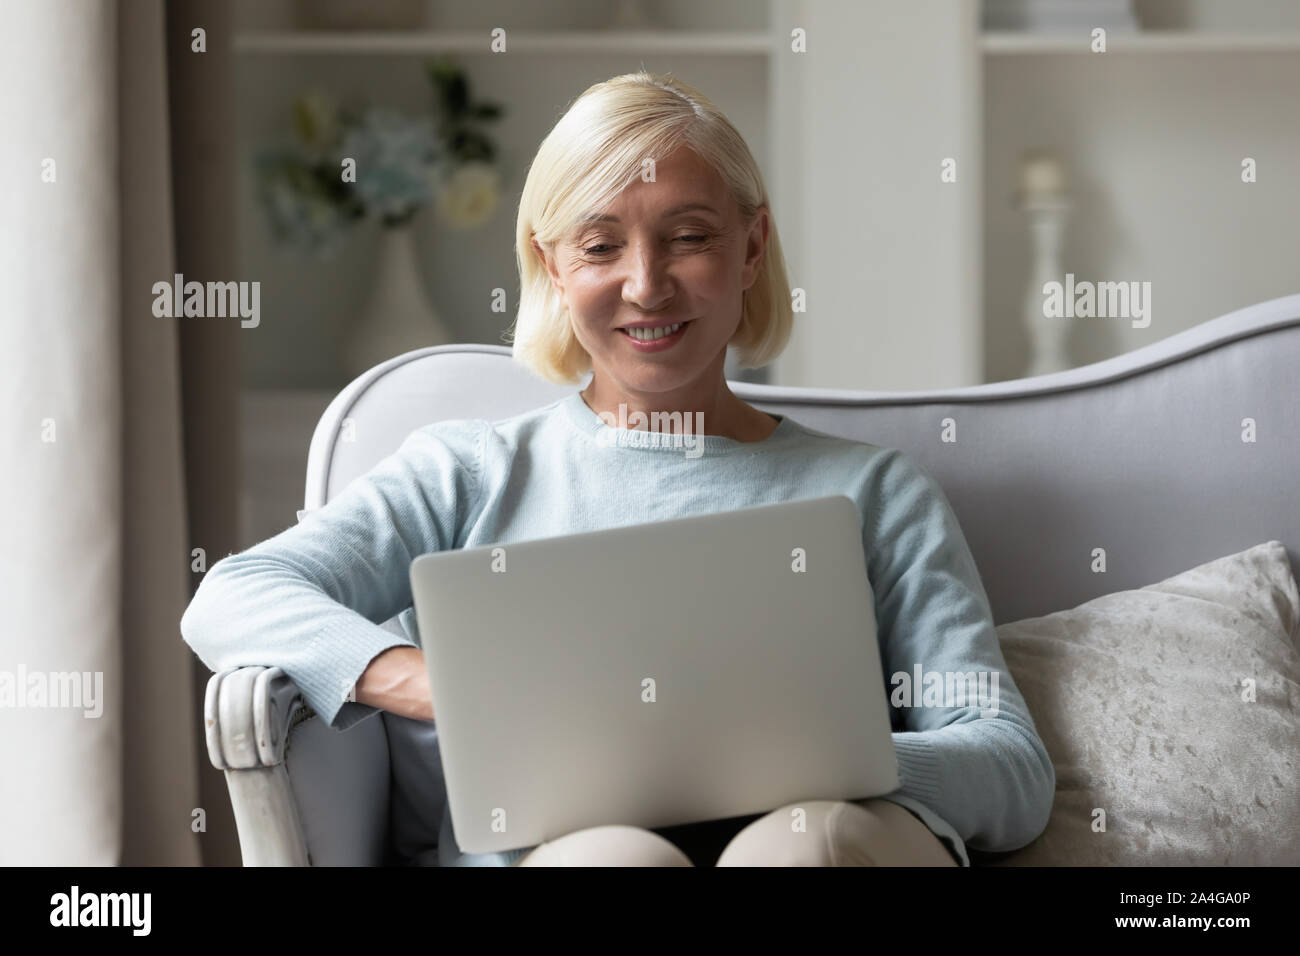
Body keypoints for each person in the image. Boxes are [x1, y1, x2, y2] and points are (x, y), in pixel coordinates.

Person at [181, 71, 1054, 867]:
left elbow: (1010, 768)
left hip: (818, 848)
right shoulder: (469, 473)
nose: (646, 284)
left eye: (689, 237)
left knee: (804, 846)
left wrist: (812, 758)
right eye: (600, 246)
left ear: (752, 251)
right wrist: (428, 680)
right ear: (551, 267)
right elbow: (232, 594)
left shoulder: (877, 494)